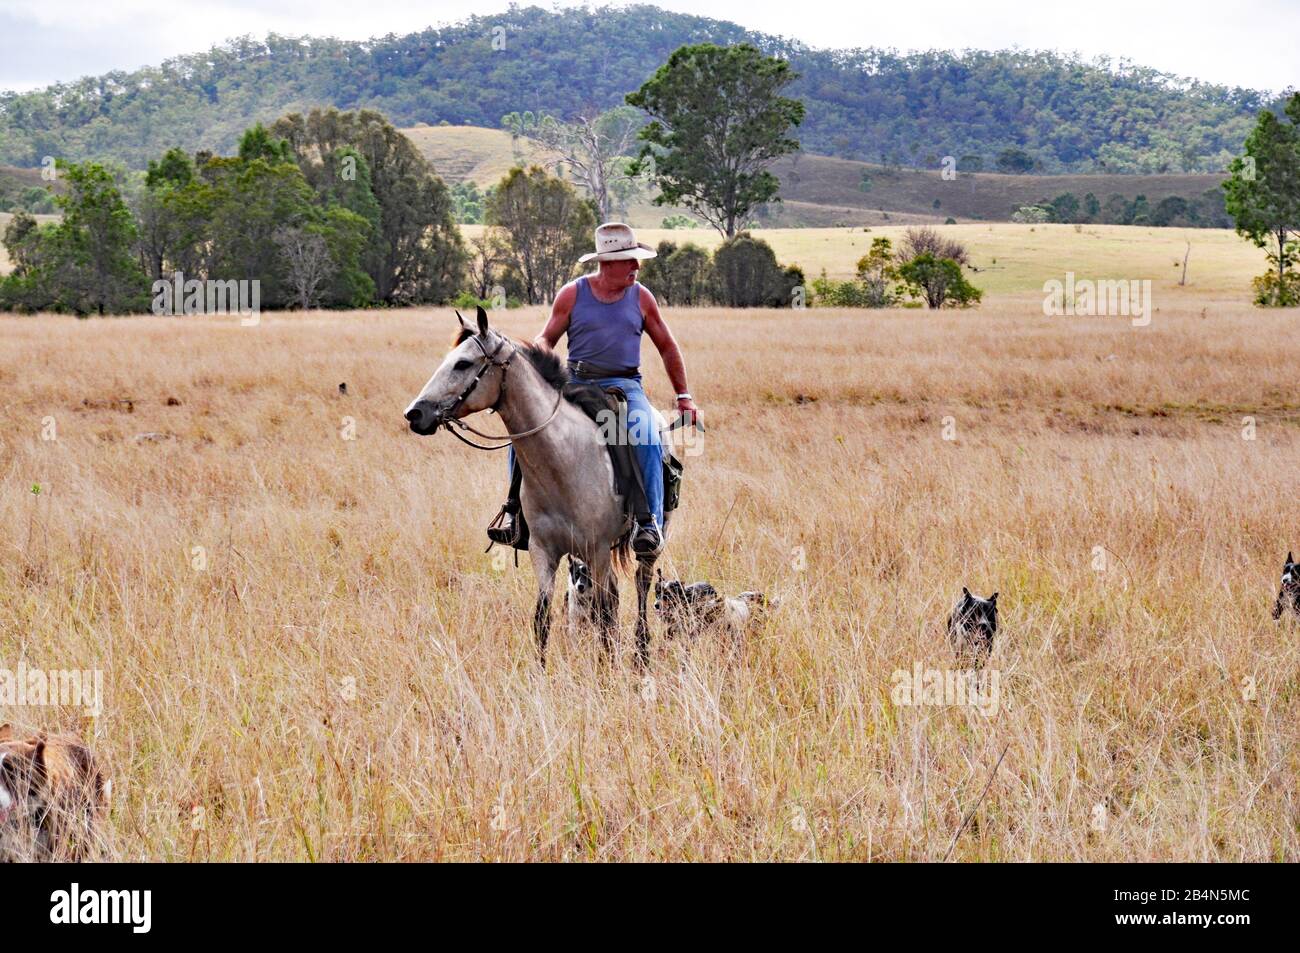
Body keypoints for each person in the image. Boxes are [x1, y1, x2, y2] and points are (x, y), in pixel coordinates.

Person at [488, 222, 701, 557]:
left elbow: (667, 346)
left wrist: (684, 396)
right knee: (525, 433)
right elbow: (547, 337)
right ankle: (516, 515)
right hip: (575, 383)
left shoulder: (642, 297)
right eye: (629, 259)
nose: (636, 266)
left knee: (645, 433)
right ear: (607, 263)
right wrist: (541, 357)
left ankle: (650, 525)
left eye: (636, 259)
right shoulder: (572, 294)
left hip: (624, 385)